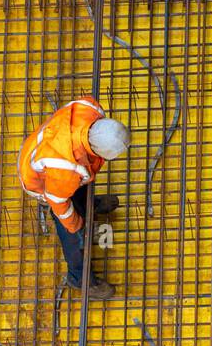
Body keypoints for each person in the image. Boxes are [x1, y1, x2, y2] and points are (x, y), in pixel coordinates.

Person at [17, 96, 130, 299]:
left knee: (81, 186)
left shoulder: (89, 109)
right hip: (41, 181)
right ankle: (79, 278)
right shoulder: (66, 171)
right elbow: (58, 202)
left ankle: (90, 205)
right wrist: (76, 224)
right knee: (72, 232)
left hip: (42, 148)